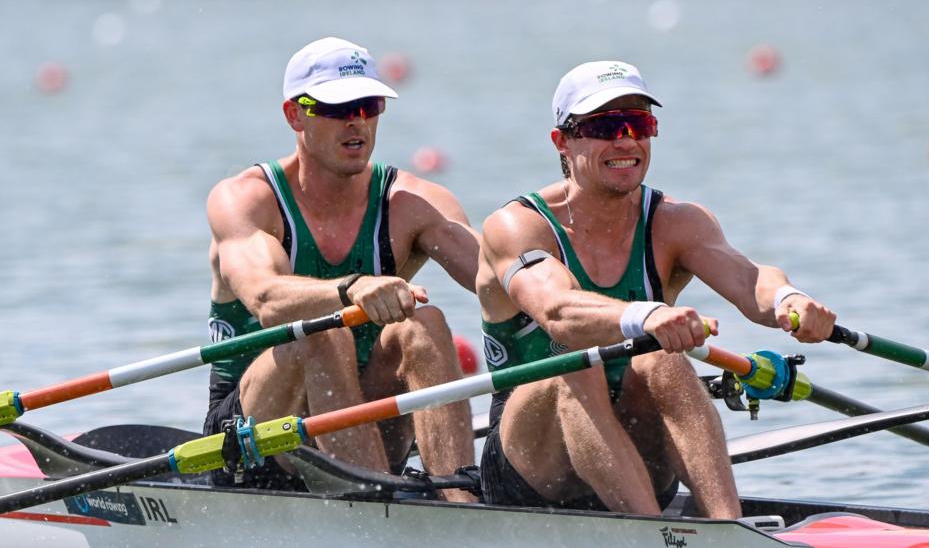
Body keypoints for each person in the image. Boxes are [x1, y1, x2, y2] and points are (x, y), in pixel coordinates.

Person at [476, 60, 836, 517]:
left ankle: (728, 528)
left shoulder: (677, 222)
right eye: (606, 125)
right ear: (562, 141)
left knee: (661, 360)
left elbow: (750, 280)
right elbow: (557, 310)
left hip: (636, 457)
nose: (625, 139)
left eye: (639, 123)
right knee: (575, 361)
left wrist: (789, 299)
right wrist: (645, 315)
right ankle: (654, 534)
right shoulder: (516, 225)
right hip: (528, 470)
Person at [204, 37, 479, 503]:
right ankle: (376, 505)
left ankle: (461, 505)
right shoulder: (248, 200)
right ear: (295, 115)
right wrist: (352, 288)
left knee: (426, 324)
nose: (357, 121)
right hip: (252, 435)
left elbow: (499, 282)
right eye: (338, 107)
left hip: (359, 417)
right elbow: (265, 299)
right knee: (321, 332)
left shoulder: (412, 203)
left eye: (369, 105)